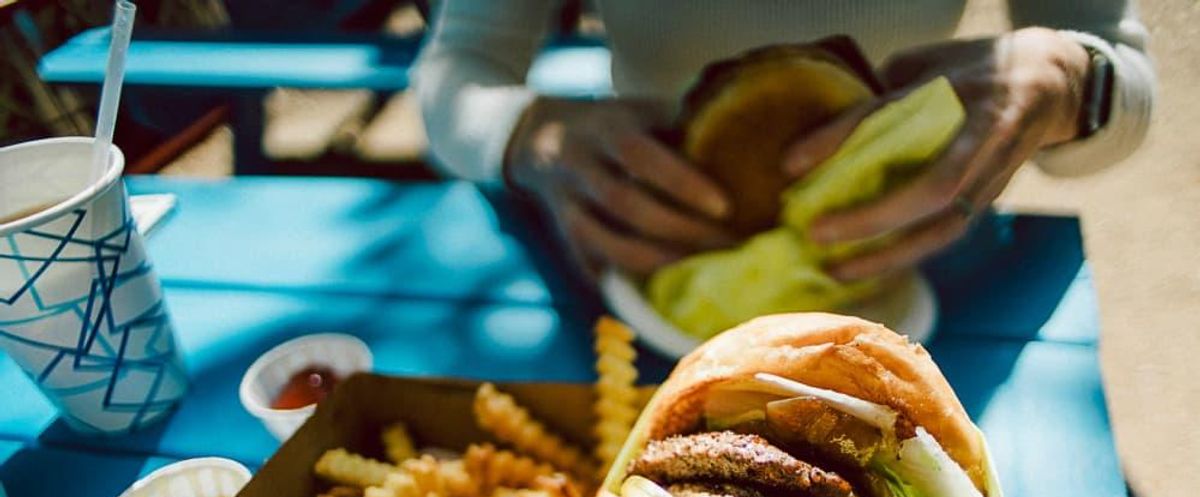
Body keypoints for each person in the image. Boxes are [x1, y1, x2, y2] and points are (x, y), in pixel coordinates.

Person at [413, 1, 1153, 281]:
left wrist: (1069, 79)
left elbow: (1124, 70)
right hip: (644, 264)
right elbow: (457, 66)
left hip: (912, 277)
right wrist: (530, 136)